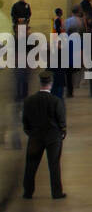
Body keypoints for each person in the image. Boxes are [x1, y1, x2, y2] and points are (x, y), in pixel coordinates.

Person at [21, 71, 66, 199]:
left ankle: (28, 192)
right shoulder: (56, 101)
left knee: (31, 165)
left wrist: (31, 133)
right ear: (50, 84)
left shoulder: (29, 101)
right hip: (53, 138)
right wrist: (62, 132)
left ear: (40, 83)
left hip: (35, 137)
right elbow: (61, 120)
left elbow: (25, 122)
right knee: (54, 165)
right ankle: (56, 192)